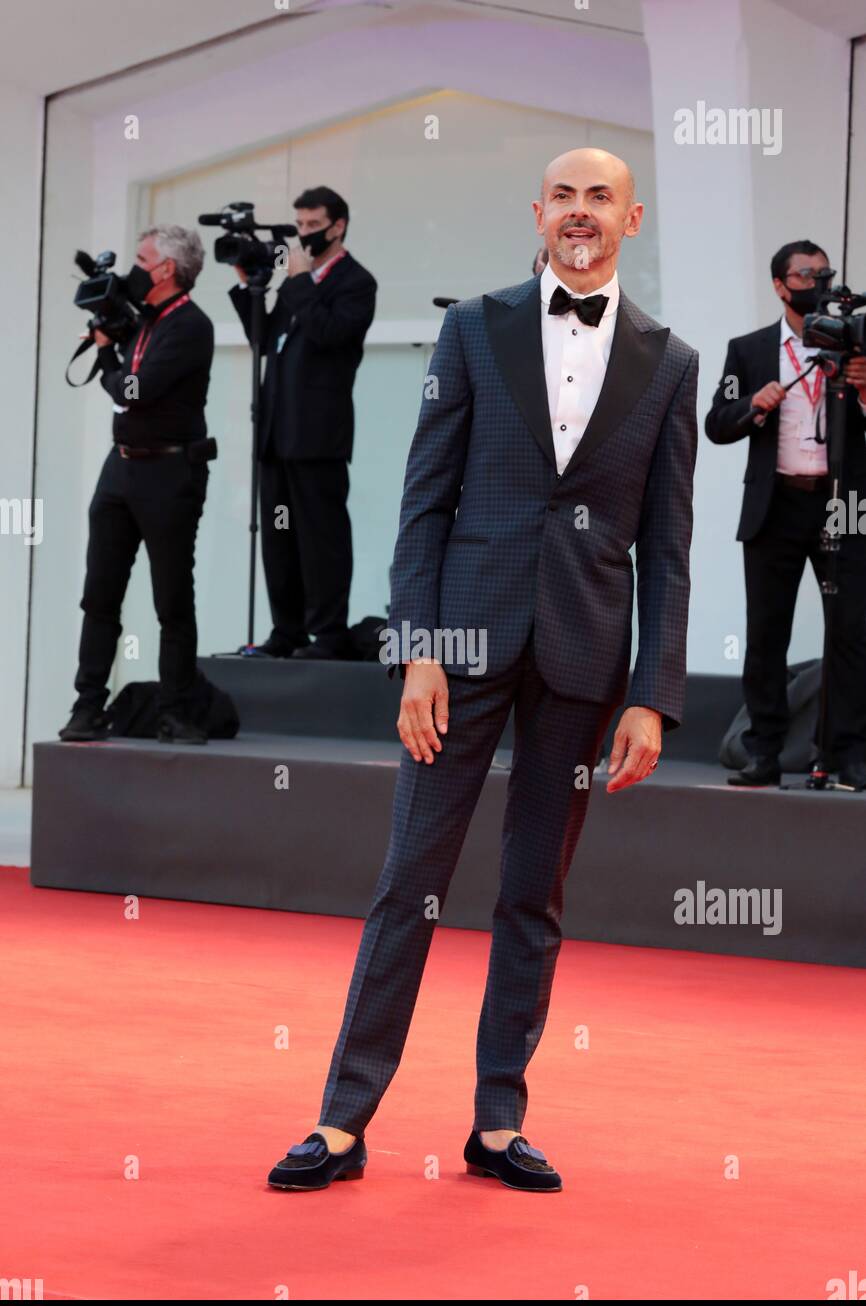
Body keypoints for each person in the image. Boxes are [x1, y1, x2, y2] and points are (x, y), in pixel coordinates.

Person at [267, 148, 698, 1193]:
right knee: (408, 877)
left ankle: (497, 1119)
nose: (580, 212)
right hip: (457, 650)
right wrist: (413, 648)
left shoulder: (671, 360)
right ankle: (341, 1116)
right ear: (537, 212)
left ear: (629, 218)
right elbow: (422, 502)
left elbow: (670, 544)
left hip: (585, 658)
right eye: (564, 195)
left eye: (601, 197)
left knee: (532, 892)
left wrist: (653, 693)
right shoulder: (470, 329)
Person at [705, 240, 866, 789]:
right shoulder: (748, 350)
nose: (817, 282)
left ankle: (845, 753)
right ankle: (764, 752)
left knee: (850, 630)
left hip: (841, 505)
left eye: (824, 273)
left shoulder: (855, 347)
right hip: (774, 507)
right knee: (766, 634)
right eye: (805, 274)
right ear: (780, 285)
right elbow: (717, 423)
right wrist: (754, 406)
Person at [59, 225, 215, 745]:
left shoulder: (191, 326)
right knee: (99, 593)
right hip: (120, 470)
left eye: (142, 258)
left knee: (171, 598)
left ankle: (174, 711)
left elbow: (135, 389)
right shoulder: (143, 320)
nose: (133, 266)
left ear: (166, 269)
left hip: (170, 473)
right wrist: (112, 331)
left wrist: (105, 354)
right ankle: (87, 707)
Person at [229, 186, 377, 660]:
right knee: (279, 537)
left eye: (314, 225)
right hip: (276, 433)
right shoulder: (300, 285)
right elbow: (265, 339)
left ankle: (328, 633)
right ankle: (286, 630)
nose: (305, 234)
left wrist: (298, 284)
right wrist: (247, 287)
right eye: (301, 225)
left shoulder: (355, 282)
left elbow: (329, 334)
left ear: (338, 226)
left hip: (317, 437)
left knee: (321, 538)